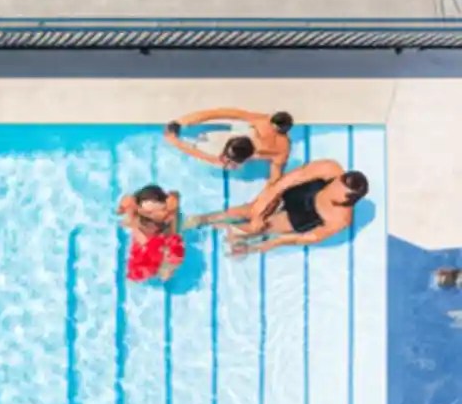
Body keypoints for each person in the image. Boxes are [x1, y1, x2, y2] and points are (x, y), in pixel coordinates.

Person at [185, 159, 368, 256]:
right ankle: (202, 220)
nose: (332, 187)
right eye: (335, 183)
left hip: (304, 216)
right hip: (298, 193)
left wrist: (277, 242)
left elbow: (309, 237)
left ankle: (238, 243)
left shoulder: (340, 219)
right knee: (249, 211)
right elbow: (285, 182)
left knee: (257, 229)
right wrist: (262, 208)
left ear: (347, 199)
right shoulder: (330, 168)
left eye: (337, 190)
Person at [164, 108, 293, 183]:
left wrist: (175, 142)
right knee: (208, 146)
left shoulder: (281, 149)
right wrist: (183, 121)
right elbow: (223, 113)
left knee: (214, 156)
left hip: (236, 155)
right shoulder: (261, 121)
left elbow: (275, 176)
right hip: (234, 144)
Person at [118, 184, 185, 283]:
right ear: (140, 210)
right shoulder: (137, 219)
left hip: (163, 241)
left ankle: (166, 269)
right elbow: (126, 220)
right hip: (145, 246)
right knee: (139, 271)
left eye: (159, 211)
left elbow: (175, 195)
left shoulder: (169, 214)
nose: (154, 216)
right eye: (149, 213)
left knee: (175, 249)